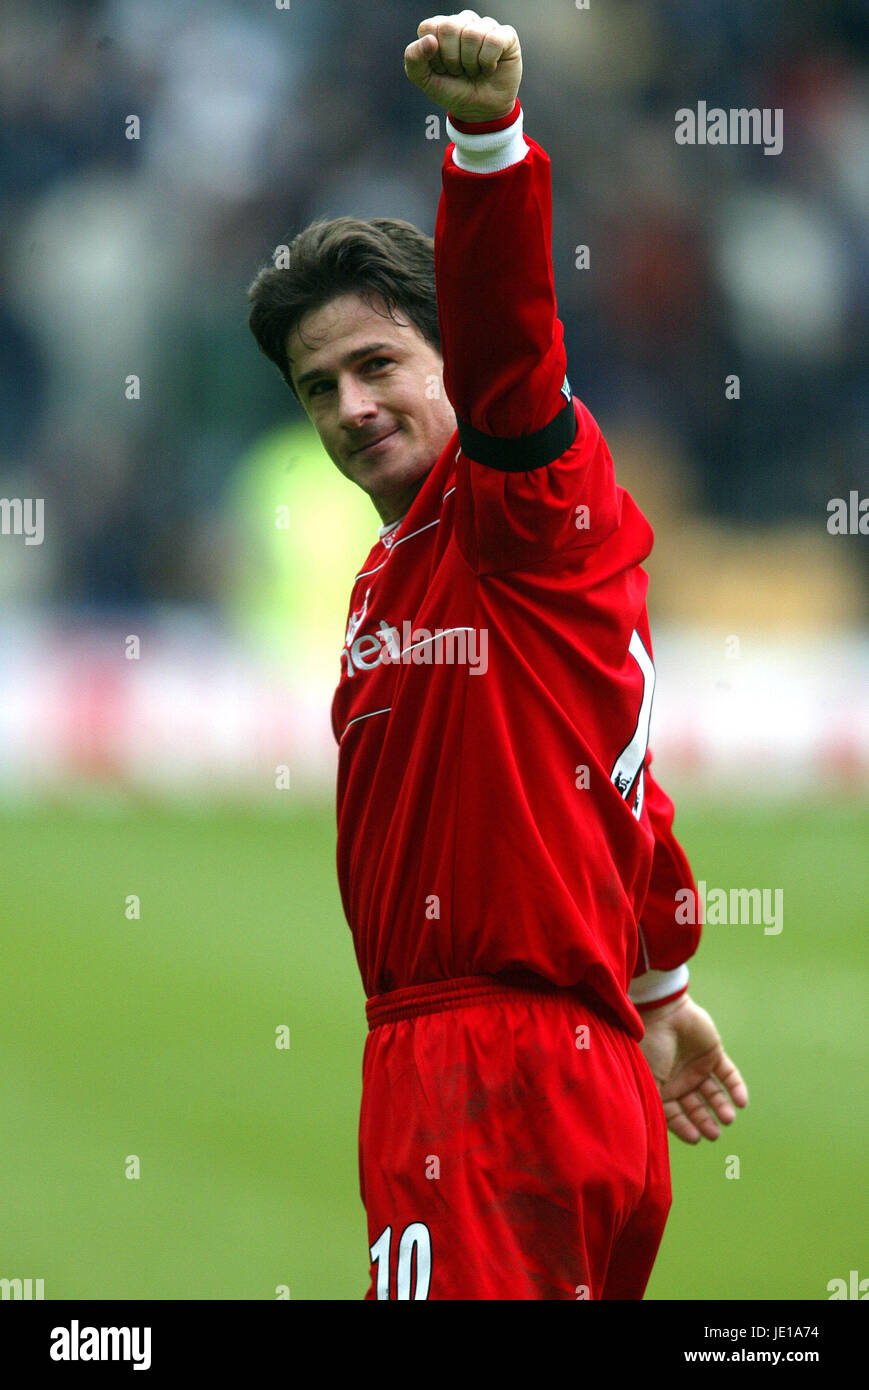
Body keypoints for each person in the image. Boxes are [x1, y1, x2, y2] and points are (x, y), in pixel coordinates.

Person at [248, 10, 748, 1300]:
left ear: (452, 357)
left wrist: (489, 146)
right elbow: (617, 779)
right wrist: (661, 988)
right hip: (577, 1076)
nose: (351, 408)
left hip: (482, 1081)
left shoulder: (518, 502)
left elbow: (515, 347)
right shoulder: (417, 560)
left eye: (378, 365)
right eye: (318, 387)